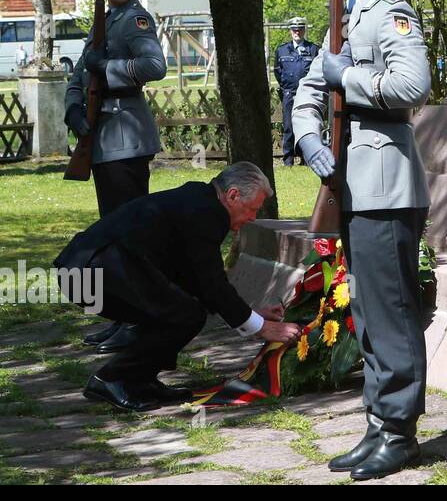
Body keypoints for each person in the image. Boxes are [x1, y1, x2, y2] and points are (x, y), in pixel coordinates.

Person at [292, 0, 432, 481]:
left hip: (386, 189)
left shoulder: (391, 13)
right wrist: (309, 142)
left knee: (392, 314)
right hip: (352, 185)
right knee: (369, 313)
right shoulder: (345, 17)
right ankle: (378, 423)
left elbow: (413, 84)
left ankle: (400, 432)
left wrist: (347, 77)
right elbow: (306, 92)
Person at [53, 163, 303, 412]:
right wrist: (263, 328)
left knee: (178, 311)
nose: (252, 218)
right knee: (184, 316)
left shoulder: (199, 201)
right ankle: (111, 378)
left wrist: (251, 314)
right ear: (233, 195)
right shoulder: (207, 212)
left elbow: (199, 281)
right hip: (95, 271)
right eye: (252, 209)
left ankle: (140, 380)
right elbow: (212, 284)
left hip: (82, 270)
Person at [63, 0, 167, 354]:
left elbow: (154, 66)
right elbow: (80, 72)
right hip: (104, 142)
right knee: (114, 235)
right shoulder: (105, 21)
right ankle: (125, 316)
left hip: (126, 140)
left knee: (130, 237)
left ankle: (140, 320)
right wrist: (73, 106)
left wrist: (106, 69)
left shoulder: (138, 20)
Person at [273, 18, 320, 167]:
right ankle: (288, 161)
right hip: (289, 94)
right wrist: (286, 86)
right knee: (288, 127)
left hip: (307, 94)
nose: (297, 32)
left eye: (300, 29)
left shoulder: (313, 49)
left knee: (307, 126)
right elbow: (277, 71)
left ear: (304, 30)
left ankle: (305, 159)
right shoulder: (282, 50)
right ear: (290, 31)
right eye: (294, 30)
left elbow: (317, 70)